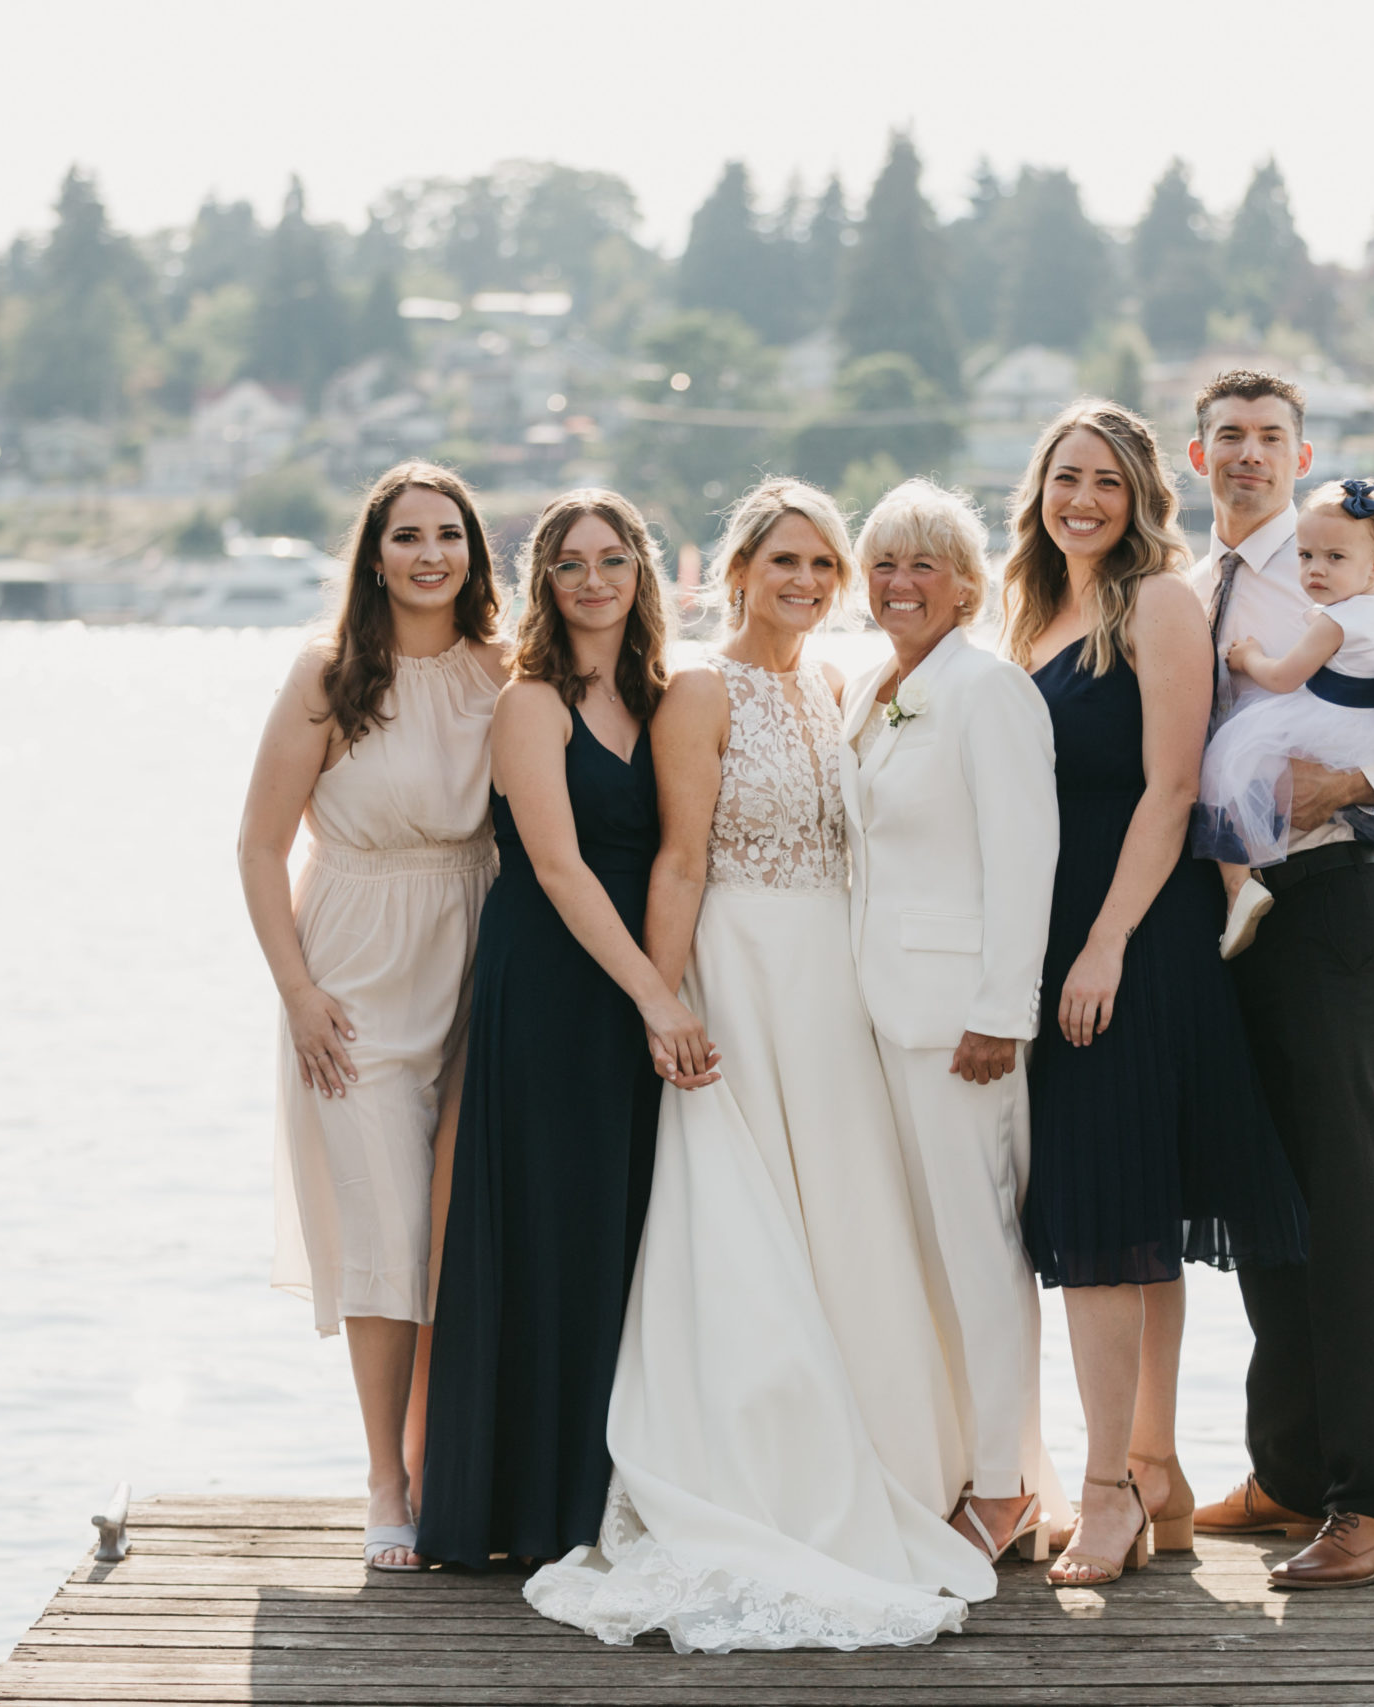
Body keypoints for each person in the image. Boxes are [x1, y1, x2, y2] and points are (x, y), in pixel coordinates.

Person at [526, 479, 992, 1652]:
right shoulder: (700, 689)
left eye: (825, 564)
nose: (808, 582)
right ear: (738, 571)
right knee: (745, 1210)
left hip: (833, 977)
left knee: (845, 1208)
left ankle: (892, 1455)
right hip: (737, 966)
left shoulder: (835, 684)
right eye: (786, 560)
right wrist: (664, 1002)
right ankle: (760, 1459)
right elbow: (679, 860)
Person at [1182, 371, 1374, 1591]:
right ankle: (1290, 1473)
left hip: (1340, 915)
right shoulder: (1188, 589)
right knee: (1270, 1205)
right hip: (1238, 927)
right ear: (1199, 457)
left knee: (1356, 1211)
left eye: (1270, 437)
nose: (1249, 454)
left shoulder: (1361, 594)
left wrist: (1352, 787)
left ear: (1299, 455)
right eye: (1229, 436)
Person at [1003, 401, 1308, 1589]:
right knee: (1126, 1219)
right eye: (1064, 478)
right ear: (1038, 491)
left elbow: (1171, 787)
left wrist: (1104, 944)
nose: (1082, 501)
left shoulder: (1159, 603)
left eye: (1105, 482)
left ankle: (1105, 1493)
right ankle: (1155, 1472)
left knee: (1098, 1222)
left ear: (1140, 496)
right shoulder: (1032, 611)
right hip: (1054, 937)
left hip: (1129, 935)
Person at [419, 489, 717, 1571]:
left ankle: (604, 1495)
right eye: (571, 563)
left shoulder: (666, 697)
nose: (595, 581)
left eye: (613, 559)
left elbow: (683, 855)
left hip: (640, 978)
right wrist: (654, 999)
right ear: (543, 582)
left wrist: (660, 992)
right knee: (546, 1226)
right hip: (551, 980)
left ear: (643, 572)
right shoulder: (529, 702)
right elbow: (554, 866)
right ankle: (518, 1509)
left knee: (622, 1227)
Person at [236, 462, 506, 1572]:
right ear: (375, 555)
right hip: (352, 974)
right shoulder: (330, 672)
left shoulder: (503, 668)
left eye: (449, 535)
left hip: (477, 954)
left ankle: (445, 1461)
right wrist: (299, 994)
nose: (430, 554)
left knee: (452, 1230)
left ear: (474, 554)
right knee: (384, 1232)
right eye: (407, 536)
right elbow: (259, 846)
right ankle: (384, 1475)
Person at [841, 479, 1063, 1563]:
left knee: (981, 1251)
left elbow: (1026, 858)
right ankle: (958, 1461)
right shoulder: (871, 688)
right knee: (926, 1252)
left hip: (959, 1025)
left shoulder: (990, 690)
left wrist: (1000, 1013)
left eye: (923, 564)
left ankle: (1004, 1486)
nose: (900, 583)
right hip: (879, 1011)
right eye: (883, 563)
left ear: (968, 587)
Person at [1193, 478, 1374, 964]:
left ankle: (1239, 887)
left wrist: (1248, 658)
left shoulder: (1334, 621)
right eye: (1305, 556)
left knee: (1228, 767)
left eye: (1334, 558)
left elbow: (1283, 678)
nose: (1316, 570)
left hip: (1332, 725)